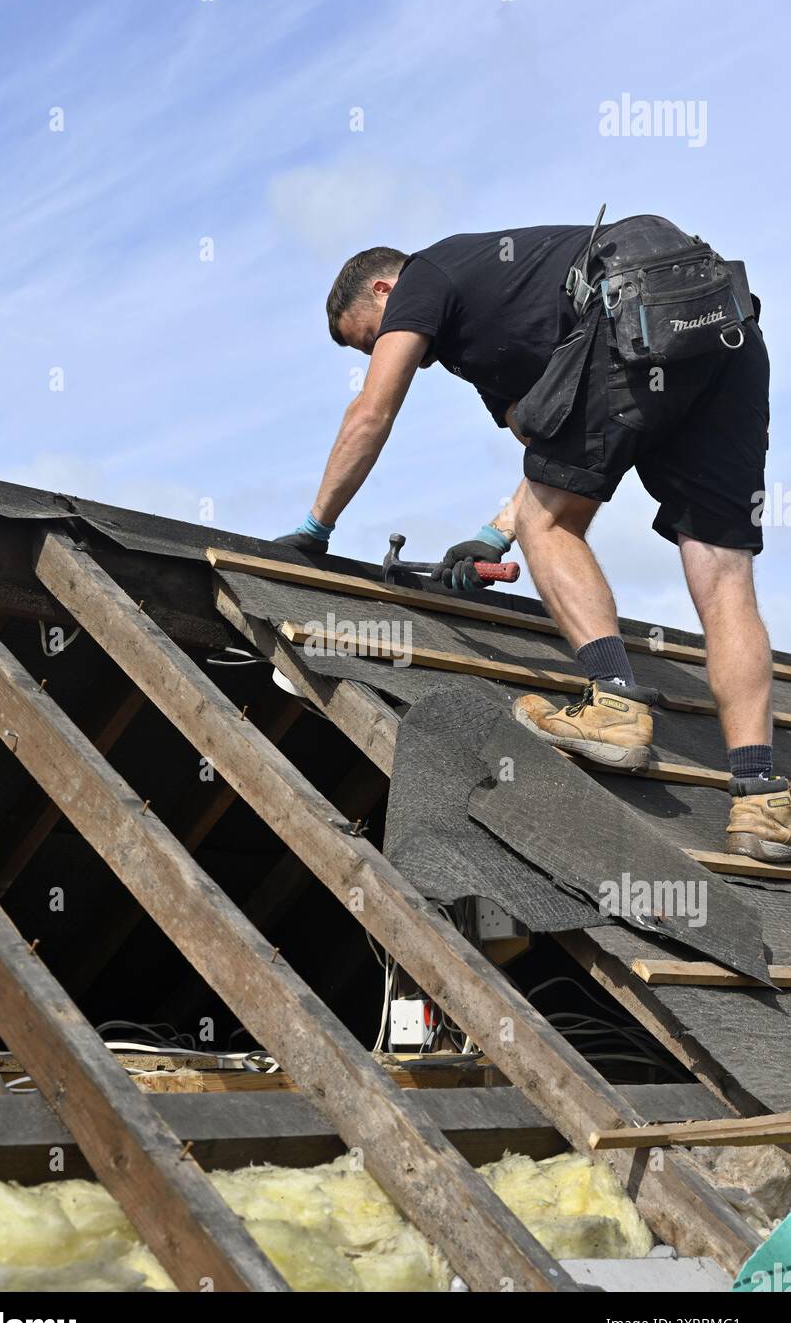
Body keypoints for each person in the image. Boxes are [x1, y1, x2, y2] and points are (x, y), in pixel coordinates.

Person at [275, 220, 789, 863]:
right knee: (723, 576)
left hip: (633, 302)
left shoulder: (425, 275)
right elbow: (550, 458)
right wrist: (492, 536)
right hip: (717, 325)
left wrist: (315, 528)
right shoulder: (499, 331)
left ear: (384, 289)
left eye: (372, 338)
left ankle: (617, 706)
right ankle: (760, 798)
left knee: (553, 527)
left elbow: (372, 412)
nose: (388, 351)